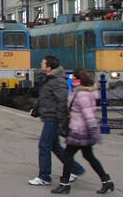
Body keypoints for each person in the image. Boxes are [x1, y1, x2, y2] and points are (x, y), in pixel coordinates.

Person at [51, 70, 112, 194]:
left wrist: (95, 133)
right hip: (81, 129)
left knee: (68, 156)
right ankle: (106, 181)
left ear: (79, 80)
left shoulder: (82, 95)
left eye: (74, 78)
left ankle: (65, 184)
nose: (71, 80)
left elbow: (88, 114)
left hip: (79, 130)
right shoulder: (78, 91)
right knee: (89, 156)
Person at [28, 56, 85, 187]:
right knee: (54, 146)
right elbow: (45, 97)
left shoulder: (57, 81)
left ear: (49, 67)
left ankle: (44, 176)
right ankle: (75, 169)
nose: (41, 64)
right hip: (50, 116)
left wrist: (61, 120)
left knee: (44, 146)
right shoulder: (50, 79)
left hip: (53, 118)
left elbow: (62, 101)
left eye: (43, 63)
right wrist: (36, 109)